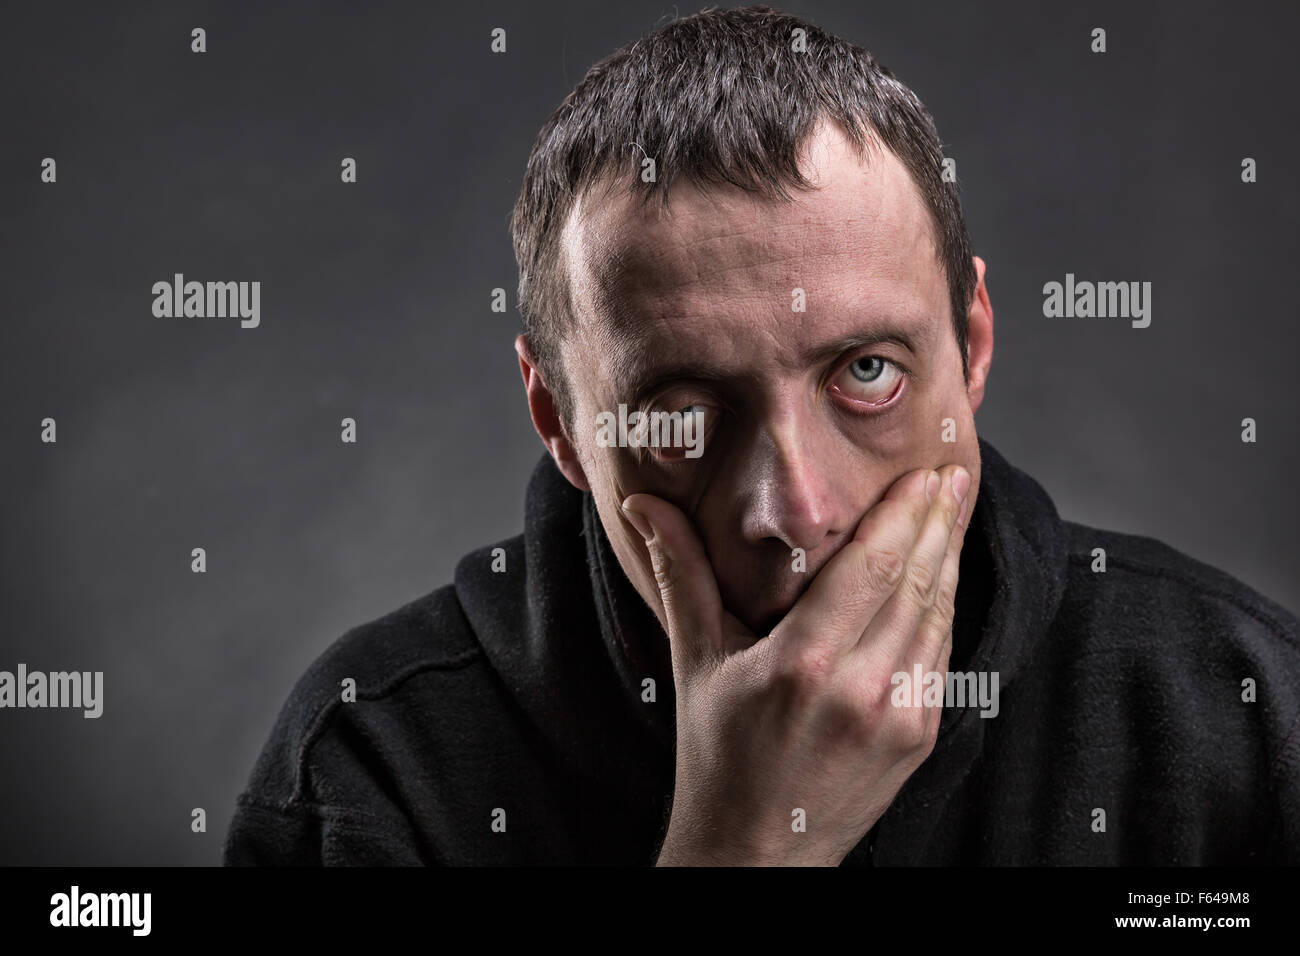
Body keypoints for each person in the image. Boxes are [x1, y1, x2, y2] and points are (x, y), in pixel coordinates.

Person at [224, 5, 1299, 866]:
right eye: (683, 415)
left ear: (970, 348)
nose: (795, 510)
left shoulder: (1238, 703)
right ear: (557, 417)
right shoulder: (372, 767)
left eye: (865, 372)